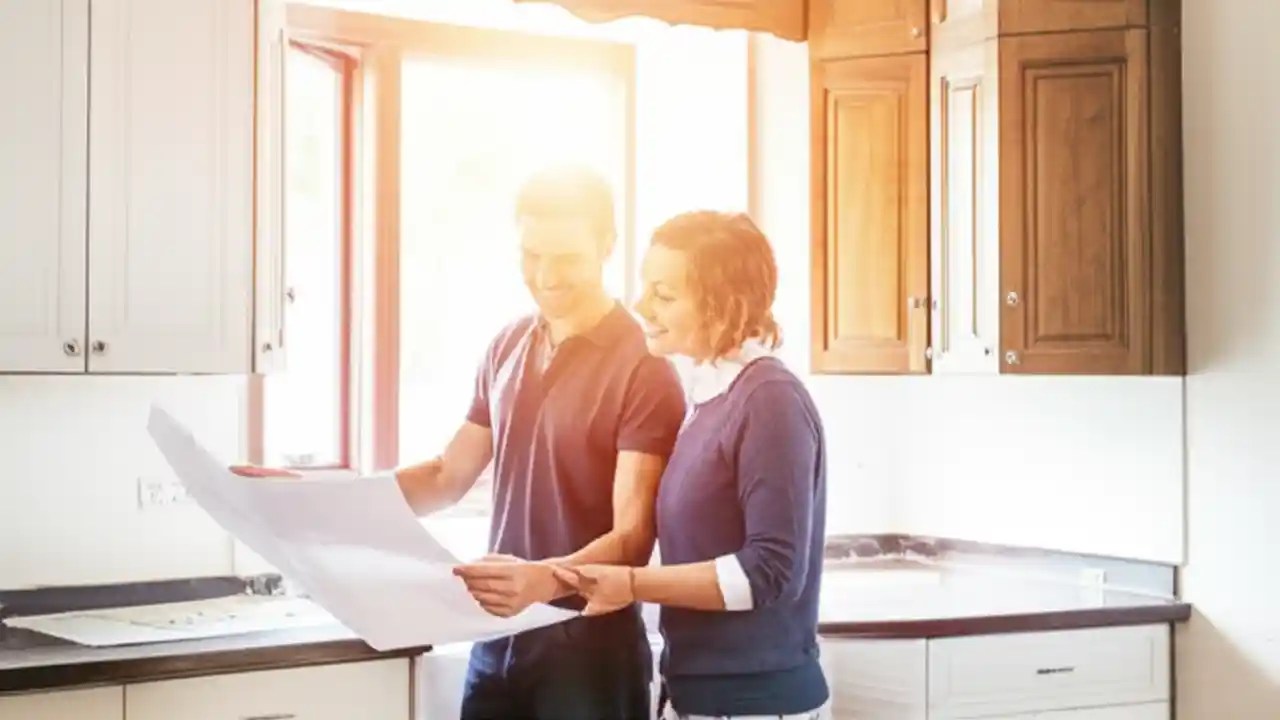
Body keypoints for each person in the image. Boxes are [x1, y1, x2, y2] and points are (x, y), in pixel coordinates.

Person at [238, 166, 686, 720]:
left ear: (607, 246)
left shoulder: (645, 366)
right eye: (532, 255)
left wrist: (543, 579)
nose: (546, 275)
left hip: (586, 655)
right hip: (496, 643)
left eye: (566, 257)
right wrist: (317, 494)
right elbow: (446, 477)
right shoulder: (508, 345)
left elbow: (633, 536)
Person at [554, 211, 830, 719]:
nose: (640, 306)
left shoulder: (768, 400)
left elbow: (768, 572)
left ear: (724, 304)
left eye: (664, 293)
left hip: (756, 704)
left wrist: (633, 585)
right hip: (701, 698)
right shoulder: (709, 398)